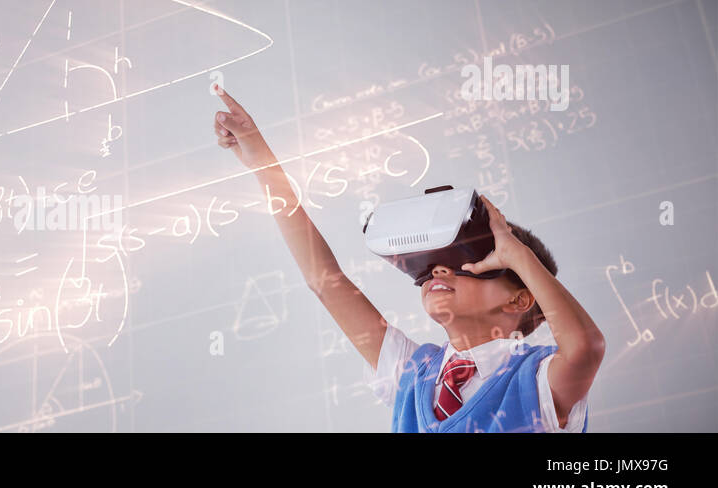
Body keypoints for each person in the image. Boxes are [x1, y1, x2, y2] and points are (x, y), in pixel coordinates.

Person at [211, 85, 604, 432]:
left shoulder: (537, 379)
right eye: (430, 267)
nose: (439, 271)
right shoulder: (412, 375)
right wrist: (264, 164)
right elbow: (325, 280)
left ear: (519, 299)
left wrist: (517, 253)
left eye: (466, 261)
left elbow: (586, 347)